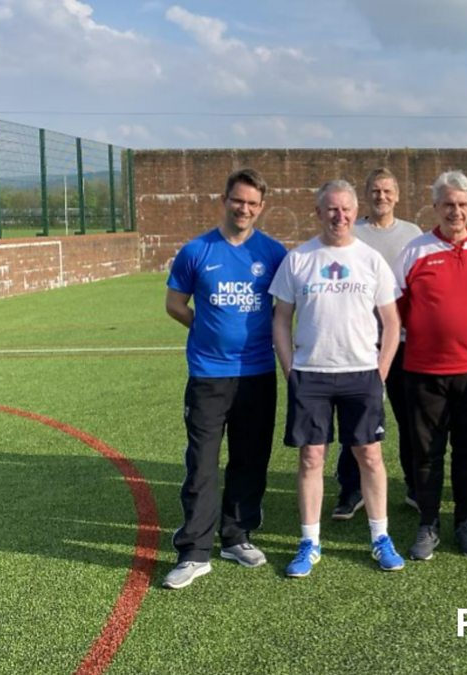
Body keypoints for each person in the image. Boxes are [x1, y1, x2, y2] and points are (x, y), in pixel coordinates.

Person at [269, 179, 404, 576]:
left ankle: (380, 537)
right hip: (310, 374)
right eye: (331, 209)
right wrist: (289, 368)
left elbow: (392, 322)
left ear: (354, 210)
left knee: (370, 455)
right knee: (312, 457)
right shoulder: (299, 259)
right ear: (318, 212)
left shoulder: (370, 259)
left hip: (361, 374)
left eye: (346, 209)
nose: (339, 216)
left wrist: (381, 369)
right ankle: (309, 542)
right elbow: (280, 319)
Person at [162, 168, 287, 590]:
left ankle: (237, 535)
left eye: (253, 203)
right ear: (225, 199)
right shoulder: (196, 251)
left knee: (250, 459)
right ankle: (194, 551)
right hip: (208, 376)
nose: (245, 209)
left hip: (257, 374)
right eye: (238, 200)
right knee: (202, 463)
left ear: (261, 207)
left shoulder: (273, 253)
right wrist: (205, 330)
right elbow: (175, 304)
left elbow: (284, 311)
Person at [395, 170, 467, 561]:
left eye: (461, 204)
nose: (455, 211)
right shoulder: (414, 250)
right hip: (424, 371)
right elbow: (396, 310)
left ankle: (465, 521)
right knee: (426, 452)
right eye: (448, 204)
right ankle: (428, 523)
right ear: (436, 207)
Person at [332, 167, 424, 521]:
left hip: (402, 342)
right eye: (375, 190)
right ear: (365, 195)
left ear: (397, 195)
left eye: (387, 191)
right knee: (356, 419)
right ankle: (351, 489)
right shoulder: (351, 234)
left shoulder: (412, 235)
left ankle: (415, 486)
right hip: (359, 344)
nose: (381, 196)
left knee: (409, 417)